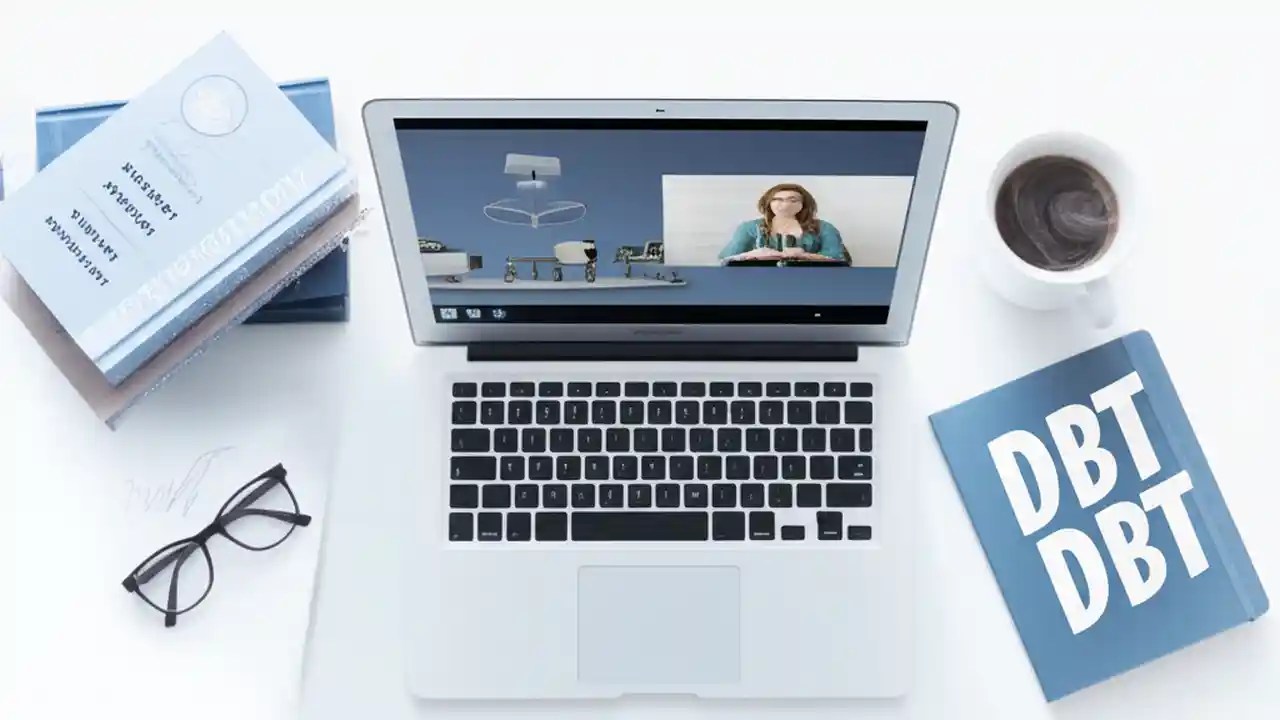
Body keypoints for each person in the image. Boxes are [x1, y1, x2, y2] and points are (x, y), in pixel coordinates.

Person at [718, 183, 847, 264]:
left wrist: (804, 256)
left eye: (793, 200)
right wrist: (754, 255)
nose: (785, 204)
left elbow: (837, 258)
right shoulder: (750, 228)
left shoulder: (824, 228)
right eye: (778, 199)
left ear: (804, 204)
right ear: (768, 203)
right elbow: (726, 259)